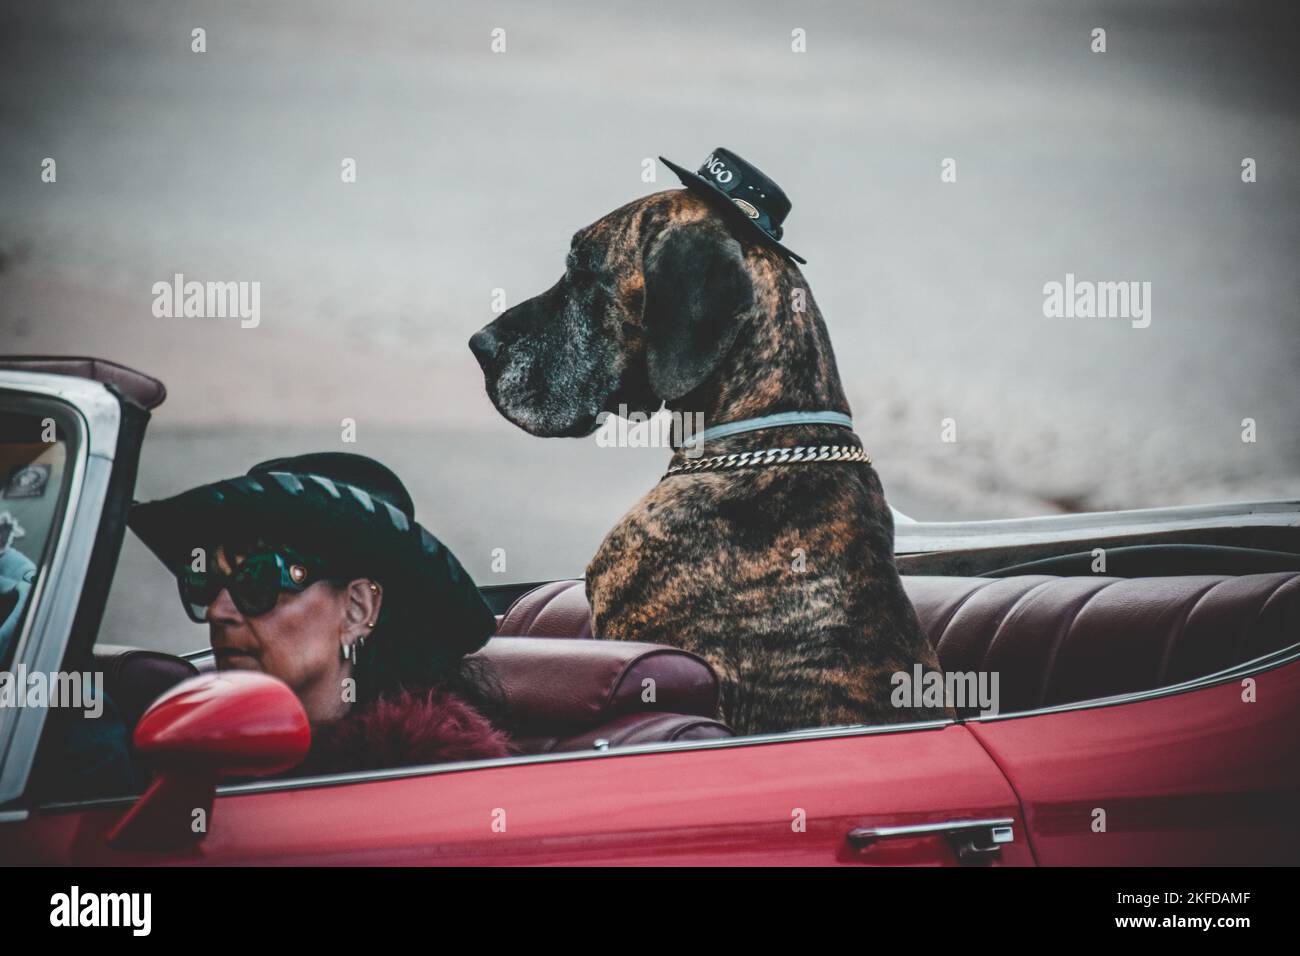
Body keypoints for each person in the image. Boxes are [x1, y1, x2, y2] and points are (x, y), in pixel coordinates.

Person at [129, 452, 512, 775]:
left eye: (258, 581)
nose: (218, 611)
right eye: (206, 584)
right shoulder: (199, 754)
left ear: (357, 610)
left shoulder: (427, 775)